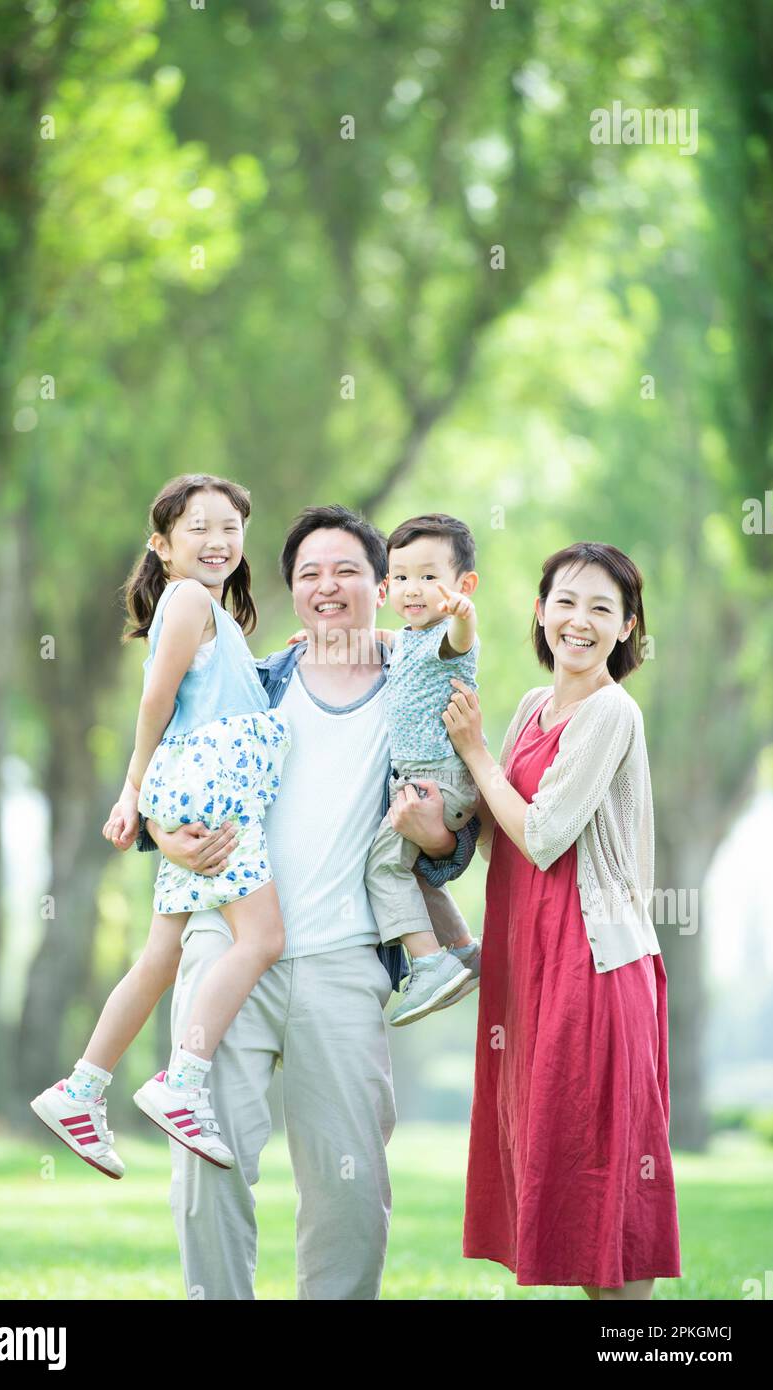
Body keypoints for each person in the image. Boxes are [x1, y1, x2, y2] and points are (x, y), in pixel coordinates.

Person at [140, 504, 481, 1299]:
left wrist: (438, 837)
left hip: (344, 968)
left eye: (347, 571)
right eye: (308, 575)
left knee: (349, 1190)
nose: (327, 588)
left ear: (382, 583)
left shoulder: (420, 681)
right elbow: (176, 768)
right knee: (204, 1166)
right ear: (293, 589)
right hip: (227, 954)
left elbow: (456, 827)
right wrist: (160, 823)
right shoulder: (256, 682)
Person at [30, 473, 291, 1177]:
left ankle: (81, 1088)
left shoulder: (214, 613)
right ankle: (184, 1079)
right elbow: (157, 698)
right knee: (262, 937)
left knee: (161, 956)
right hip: (208, 785)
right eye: (198, 527)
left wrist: (141, 794)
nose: (217, 540)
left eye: (230, 526)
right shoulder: (184, 599)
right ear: (163, 546)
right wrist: (137, 790)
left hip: (198, 784)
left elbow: (207, 694)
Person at [446, 541, 681, 1300]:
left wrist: (476, 754)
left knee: (603, 1201)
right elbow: (498, 840)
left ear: (625, 628)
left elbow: (543, 836)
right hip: (530, 971)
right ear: (539, 613)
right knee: (571, 1197)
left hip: (593, 968)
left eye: (601, 609)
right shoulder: (528, 709)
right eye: (565, 602)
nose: (578, 621)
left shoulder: (611, 711)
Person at [363, 514, 484, 1025]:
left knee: (381, 867)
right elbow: (394, 642)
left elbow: (459, 637)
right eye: (402, 577)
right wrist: (321, 639)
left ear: (462, 585)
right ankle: (462, 950)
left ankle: (429, 962)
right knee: (413, 870)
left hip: (435, 783)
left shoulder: (447, 638)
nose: (414, 590)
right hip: (431, 781)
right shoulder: (411, 637)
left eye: (429, 577)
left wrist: (463, 614)